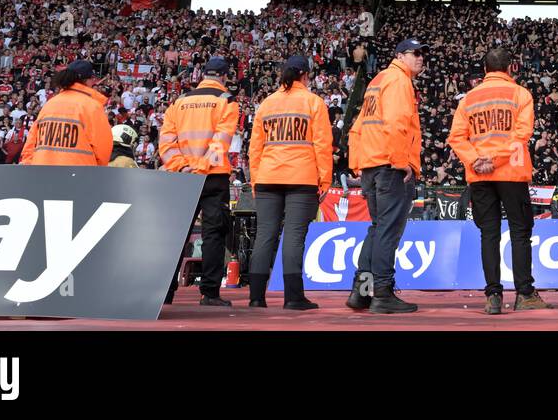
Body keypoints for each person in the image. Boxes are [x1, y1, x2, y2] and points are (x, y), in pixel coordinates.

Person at [447, 47, 551, 314]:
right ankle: (525, 293)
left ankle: (493, 295)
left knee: (489, 234)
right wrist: (496, 159)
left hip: (480, 174)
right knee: (520, 232)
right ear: (510, 68)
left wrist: (476, 160)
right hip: (511, 172)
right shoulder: (520, 94)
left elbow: (456, 138)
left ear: (484, 70)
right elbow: (521, 135)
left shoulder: (468, 99)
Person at [246, 55, 333, 310]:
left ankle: (256, 297)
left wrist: (255, 180)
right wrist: (325, 180)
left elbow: (255, 149)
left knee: (264, 235)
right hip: (302, 179)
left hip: (267, 177)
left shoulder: (266, 104)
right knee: (294, 236)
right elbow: (322, 145)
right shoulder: (313, 102)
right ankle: (293, 297)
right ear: (306, 75)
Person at [346, 38, 424, 314]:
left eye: (423, 53)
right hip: (391, 166)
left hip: (371, 164)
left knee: (377, 228)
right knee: (387, 231)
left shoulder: (378, 80)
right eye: (416, 53)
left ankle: (362, 292)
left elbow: (357, 127)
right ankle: (382, 293)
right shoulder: (399, 81)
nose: (421, 58)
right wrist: (402, 162)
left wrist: (358, 163)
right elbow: (395, 123)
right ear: (400, 56)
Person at [160, 56, 241, 307]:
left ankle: (165, 292)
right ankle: (209, 293)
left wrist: (184, 166)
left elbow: (166, 142)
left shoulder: (179, 102)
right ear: (226, 76)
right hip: (213, 176)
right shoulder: (226, 101)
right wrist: (201, 167)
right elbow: (221, 141)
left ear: (202, 75)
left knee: (176, 235)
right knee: (213, 234)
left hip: (182, 176)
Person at [20, 60, 111, 166]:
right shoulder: (92, 106)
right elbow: (103, 148)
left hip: (43, 173)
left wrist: (29, 164)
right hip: (80, 175)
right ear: (87, 80)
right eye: (93, 78)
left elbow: (31, 143)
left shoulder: (50, 104)